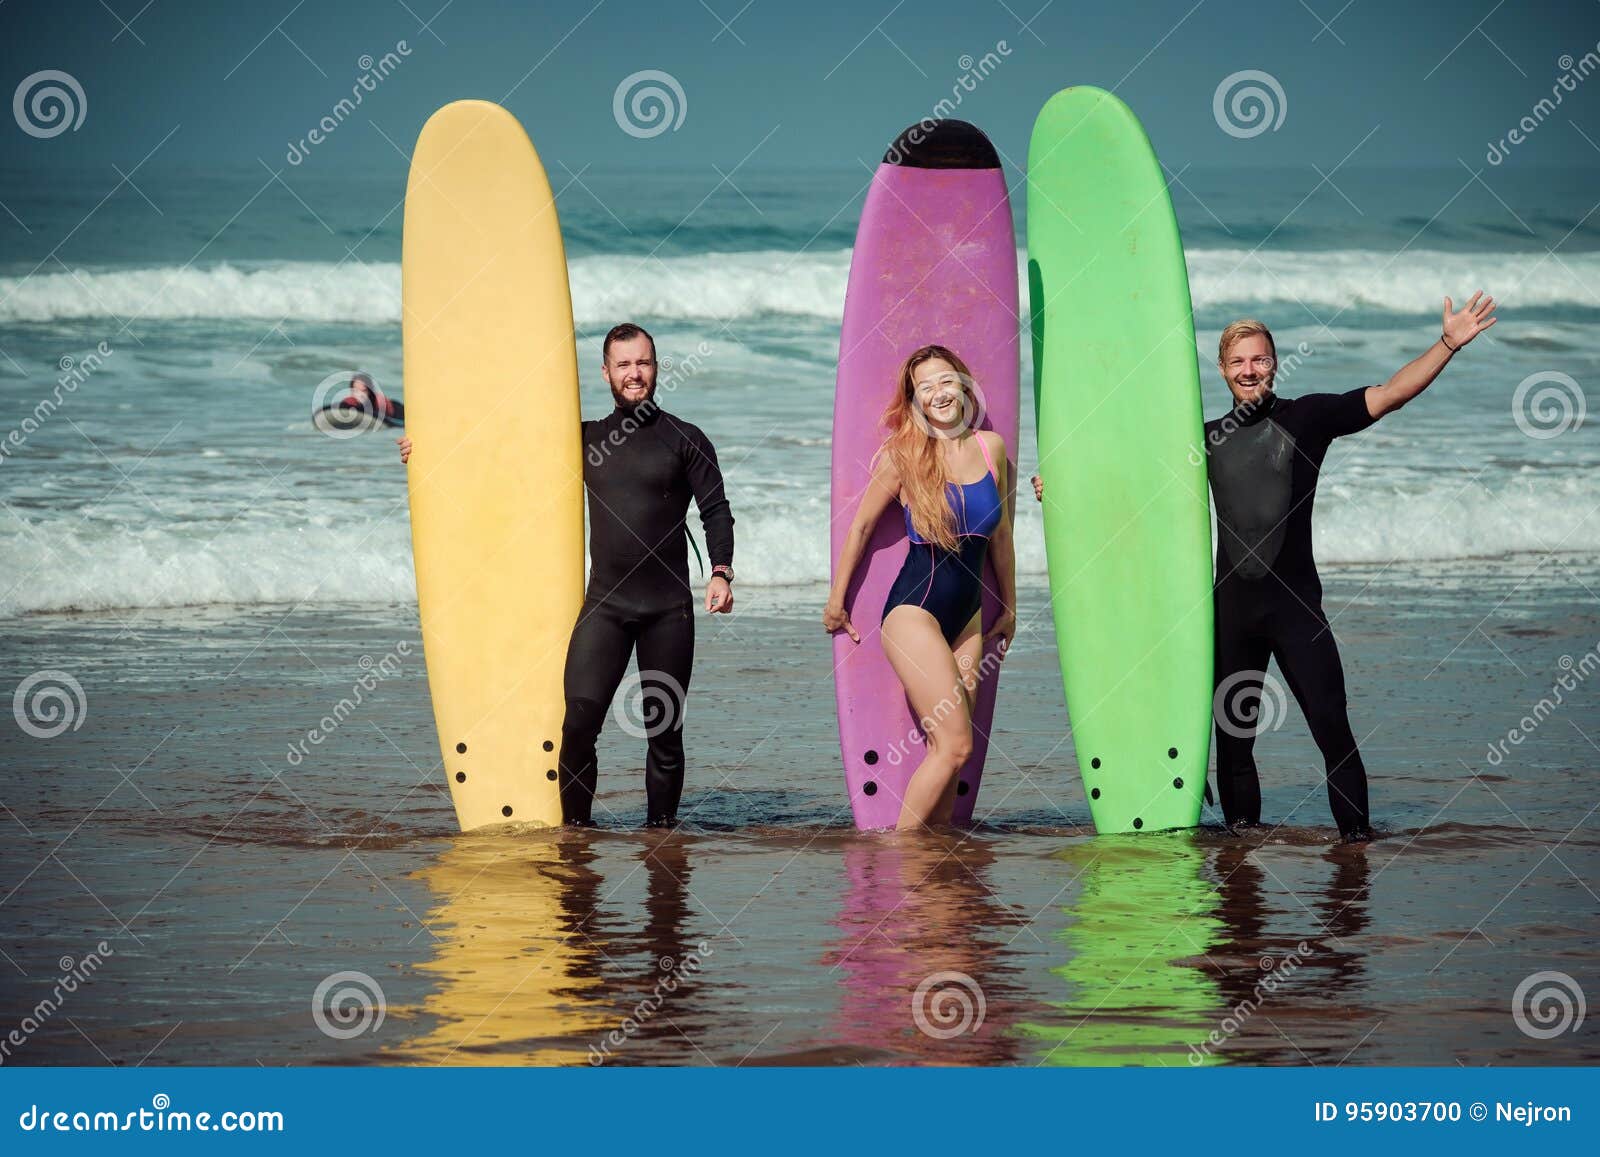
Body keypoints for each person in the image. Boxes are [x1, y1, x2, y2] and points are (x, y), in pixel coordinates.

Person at [1032, 293, 1498, 842]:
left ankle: (1357, 847)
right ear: (1223, 370)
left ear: (1274, 363)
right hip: (1232, 612)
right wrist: (1059, 488)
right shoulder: (1203, 440)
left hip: (1295, 608)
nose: (1249, 370)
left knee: (1331, 727)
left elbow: (1390, 394)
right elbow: (1130, 487)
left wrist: (1446, 343)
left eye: (1259, 359)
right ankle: (1240, 848)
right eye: (1237, 362)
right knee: (1233, 741)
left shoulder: (1309, 417)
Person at [399, 323, 735, 827]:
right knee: (577, 725)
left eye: (642, 362)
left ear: (657, 366)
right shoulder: (585, 440)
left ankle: (661, 837)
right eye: (623, 364)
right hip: (607, 607)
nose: (634, 373)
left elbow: (716, 510)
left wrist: (722, 571)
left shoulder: (685, 440)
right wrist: (427, 450)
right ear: (605, 373)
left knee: (663, 732)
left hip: (668, 610)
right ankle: (577, 835)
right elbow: (503, 460)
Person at [825, 344, 1017, 829]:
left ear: (964, 384)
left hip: (968, 619)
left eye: (946, 380)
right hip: (915, 614)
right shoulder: (904, 456)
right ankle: (901, 856)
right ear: (914, 400)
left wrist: (1010, 607)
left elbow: (1003, 536)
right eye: (925, 387)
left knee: (950, 755)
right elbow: (863, 527)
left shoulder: (990, 449)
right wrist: (837, 600)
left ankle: (940, 862)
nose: (938, 393)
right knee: (957, 745)